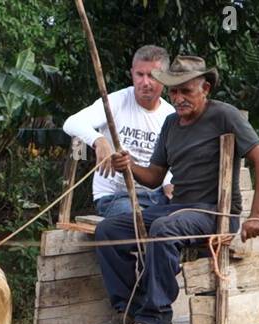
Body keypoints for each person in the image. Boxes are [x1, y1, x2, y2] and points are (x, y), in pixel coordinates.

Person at [95, 55, 259, 324]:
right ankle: (130, 309)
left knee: (164, 228)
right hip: (179, 207)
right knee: (108, 231)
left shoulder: (225, 116)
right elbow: (155, 176)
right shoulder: (170, 124)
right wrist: (129, 166)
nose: (178, 98)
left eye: (186, 91)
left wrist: (257, 216)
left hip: (215, 212)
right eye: (173, 92)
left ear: (205, 88)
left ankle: (157, 318)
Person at [62, 44, 176, 220]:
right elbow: (71, 122)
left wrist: (169, 184)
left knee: (178, 220)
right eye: (140, 74)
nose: (145, 82)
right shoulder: (115, 102)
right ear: (132, 73)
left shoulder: (170, 115)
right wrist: (99, 140)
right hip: (114, 197)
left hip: (156, 198)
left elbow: (170, 162)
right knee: (136, 223)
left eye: (153, 76)